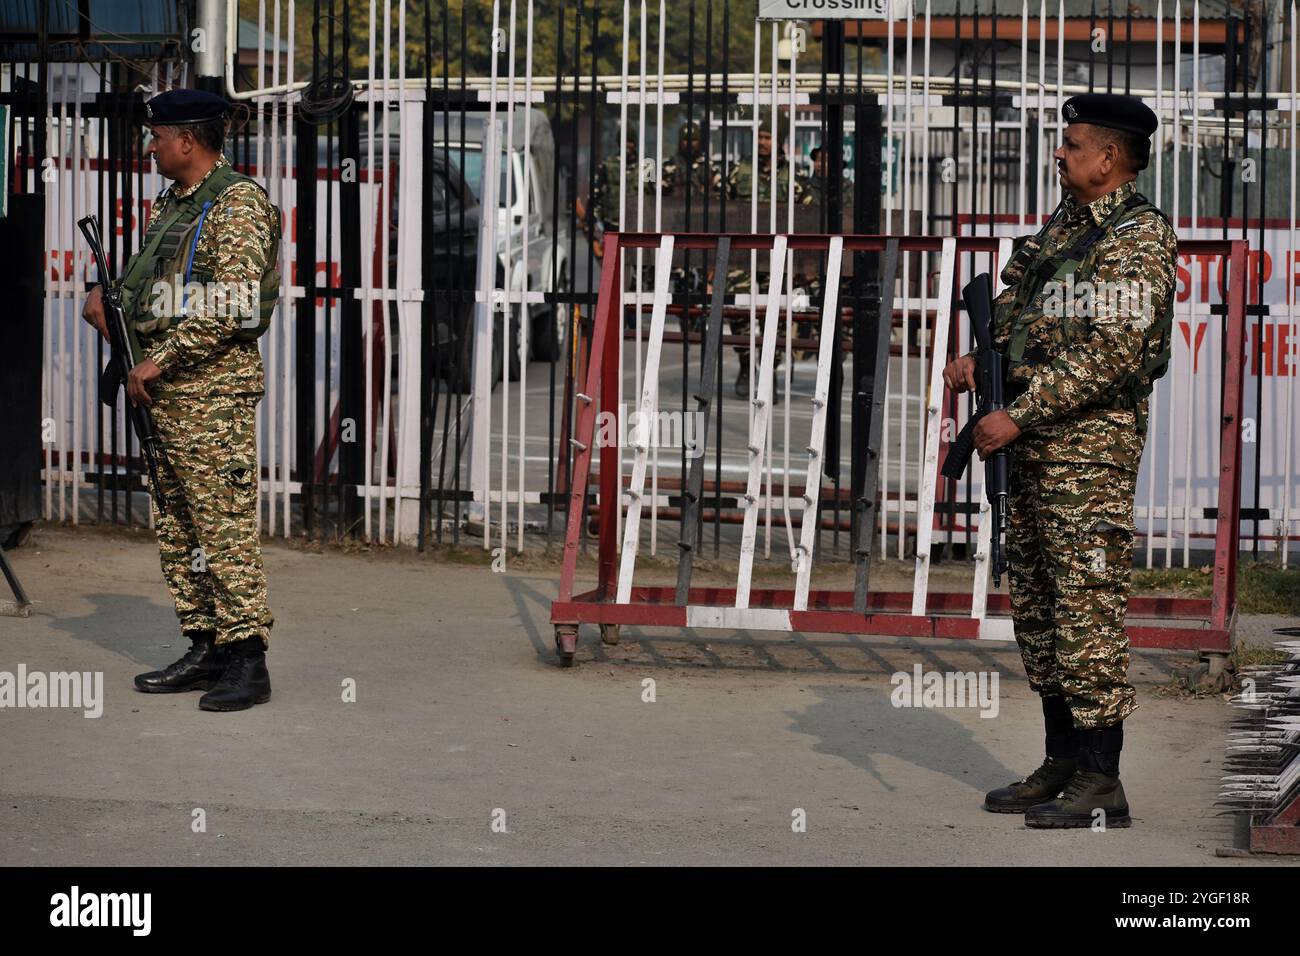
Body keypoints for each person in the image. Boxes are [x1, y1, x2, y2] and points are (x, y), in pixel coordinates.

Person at [943, 93, 1176, 828]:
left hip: (1088, 453)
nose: (1060, 154)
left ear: (1110, 157)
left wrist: (1021, 412)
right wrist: (982, 364)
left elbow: (1113, 351)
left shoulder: (1137, 238)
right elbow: (1020, 312)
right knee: (1041, 611)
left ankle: (1103, 781)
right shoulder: (1065, 226)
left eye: (1072, 145)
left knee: (1086, 610)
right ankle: (1063, 761)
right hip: (1035, 445)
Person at [81, 89, 281, 712]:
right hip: (164, 391)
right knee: (179, 525)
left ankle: (248, 659)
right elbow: (157, 281)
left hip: (210, 393)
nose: (151, 146)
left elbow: (232, 303)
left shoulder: (237, 204)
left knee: (221, 526)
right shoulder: (175, 202)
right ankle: (207, 646)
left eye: (158, 136)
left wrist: (161, 358)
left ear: (187, 141)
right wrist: (106, 295)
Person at [725, 117, 813, 397]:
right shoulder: (738, 172)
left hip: (780, 259)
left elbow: (808, 219)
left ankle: (769, 373)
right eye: (760, 137)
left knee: (776, 316)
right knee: (738, 309)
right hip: (742, 256)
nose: (763, 142)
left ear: (780, 141)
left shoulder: (796, 177)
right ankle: (745, 362)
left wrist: (802, 264)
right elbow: (721, 211)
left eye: (769, 137)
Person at [583, 137, 640, 259]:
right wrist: (591, 223)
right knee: (611, 264)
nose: (627, 145)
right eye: (625, 142)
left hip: (638, 227)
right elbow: (595, 195)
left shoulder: (646, 166)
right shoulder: (607, 165)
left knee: (637, 268)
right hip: (612, 225)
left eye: (630, 141)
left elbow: (653, 194)